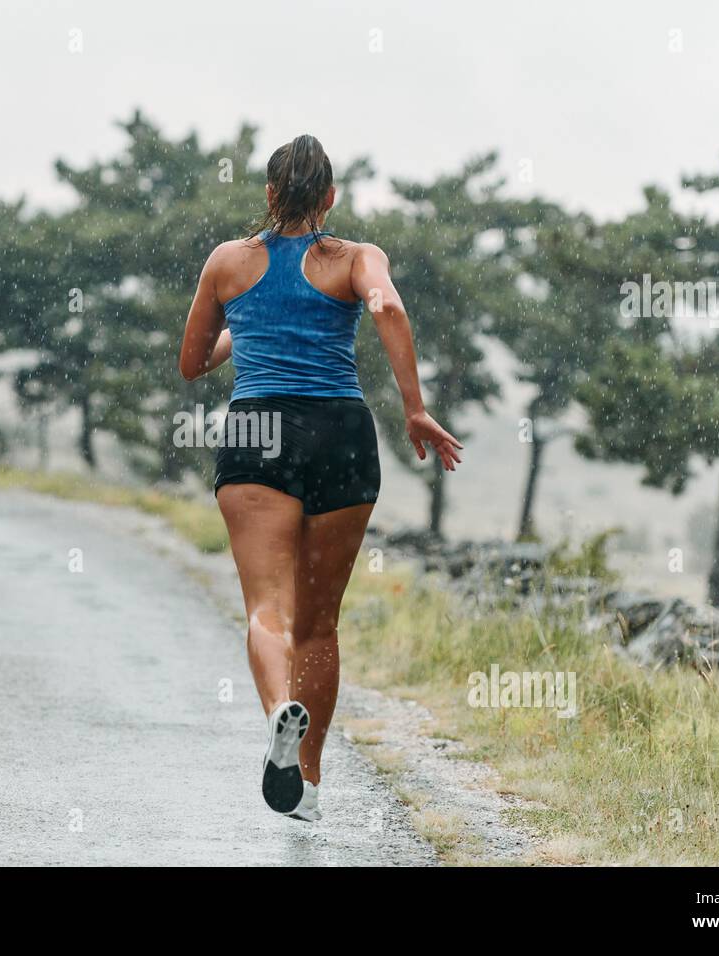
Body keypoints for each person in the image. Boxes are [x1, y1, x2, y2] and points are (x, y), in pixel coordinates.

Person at [178, 134, 463, 821]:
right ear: (330, 199)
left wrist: (243, 327)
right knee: (319, 624)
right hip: (339, 429)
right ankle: (305, 782)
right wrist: (416, 410)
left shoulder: (227, 262)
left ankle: (281, 710)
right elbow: (388, 308)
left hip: (257, 429)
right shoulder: (359, 259)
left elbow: (192, 362)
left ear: (270, 195)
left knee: (266, 610)